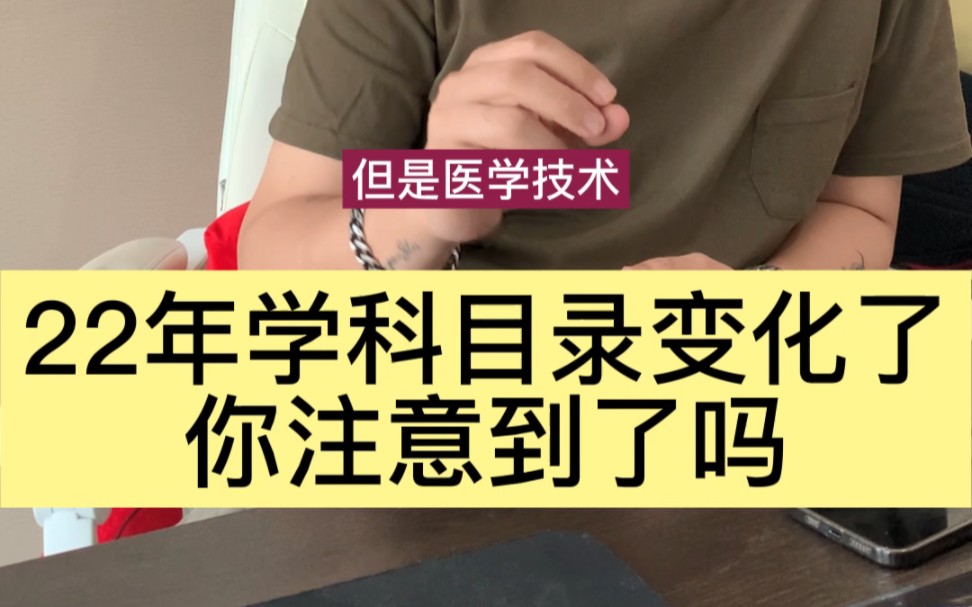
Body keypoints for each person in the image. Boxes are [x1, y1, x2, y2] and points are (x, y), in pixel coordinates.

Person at [235, 0, 972, 272]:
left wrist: (758, 308)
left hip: (743, 416)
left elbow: (862, 209)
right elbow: (272, 245)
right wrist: (428, 202)